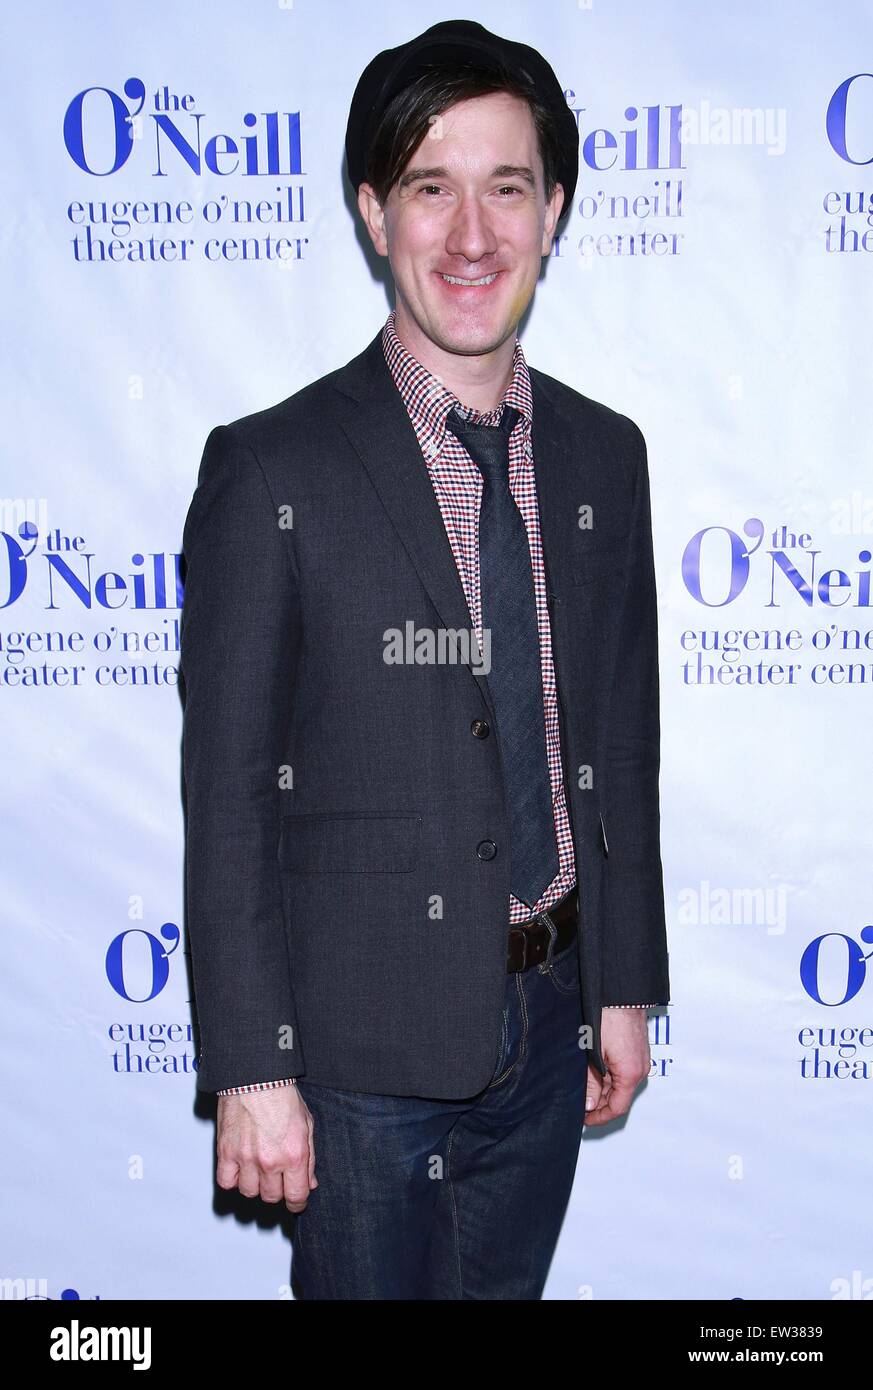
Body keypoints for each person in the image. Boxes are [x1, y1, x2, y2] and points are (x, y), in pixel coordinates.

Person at [180, 18, 670, 1300]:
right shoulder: (272, 465)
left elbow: (618, 744)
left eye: (507, 187)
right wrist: (252, 1066)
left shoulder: (604, 458)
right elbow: (227, 793)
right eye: (428, 187)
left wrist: (625, 984)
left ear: (552, 210)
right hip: (351, 1057)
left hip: (550, 1017)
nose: (471, 235)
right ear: (371, 211)